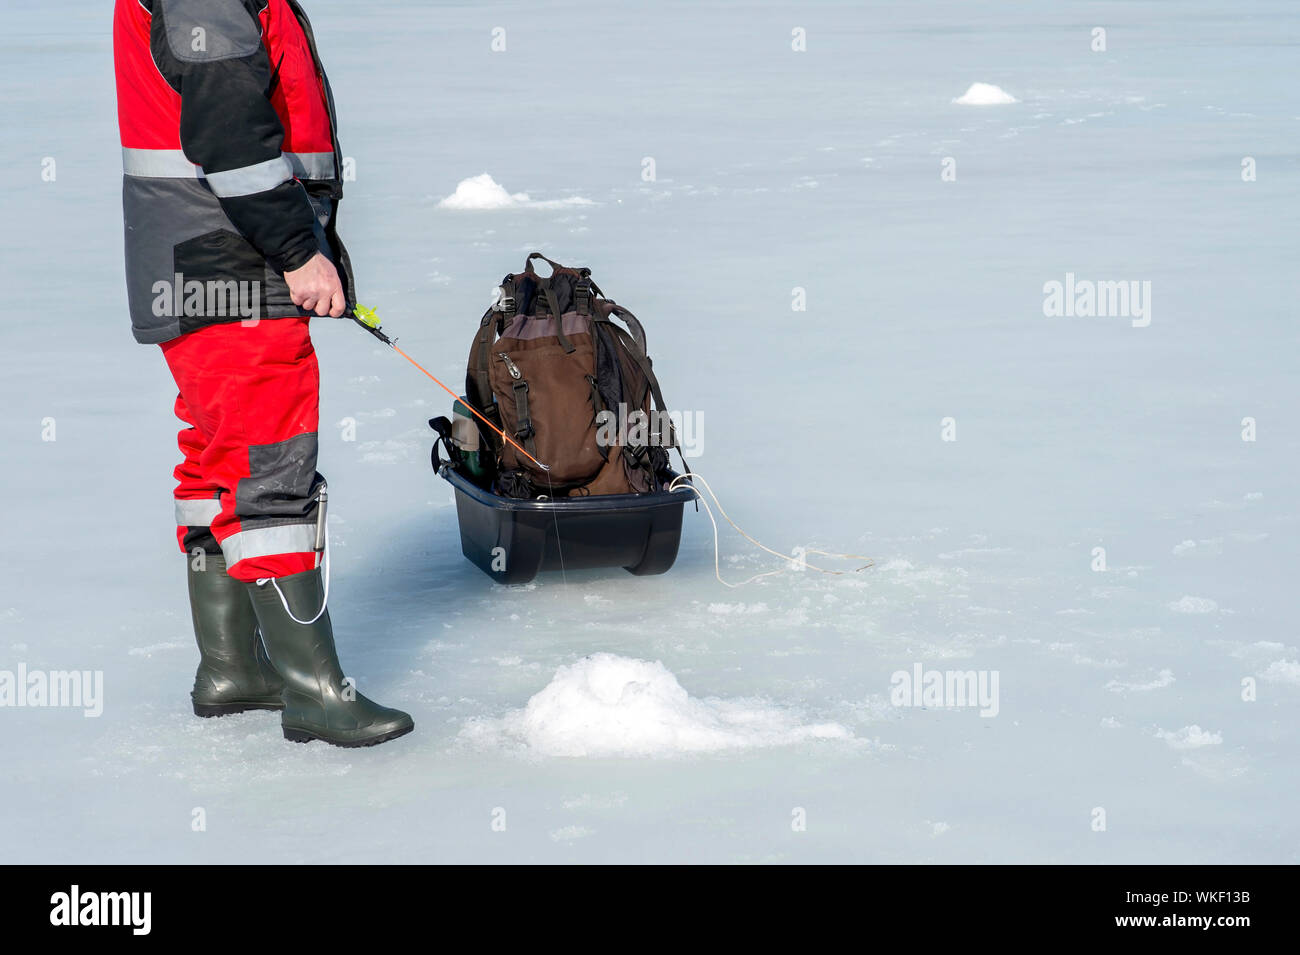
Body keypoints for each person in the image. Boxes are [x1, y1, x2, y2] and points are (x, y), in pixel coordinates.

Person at [113, 0, 412, 747]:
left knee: (221, 454)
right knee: (270, 463)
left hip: (204, 265)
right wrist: (296, 250)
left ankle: (233, 668)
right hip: (228, 266)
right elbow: (230, 137)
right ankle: (315, 690)